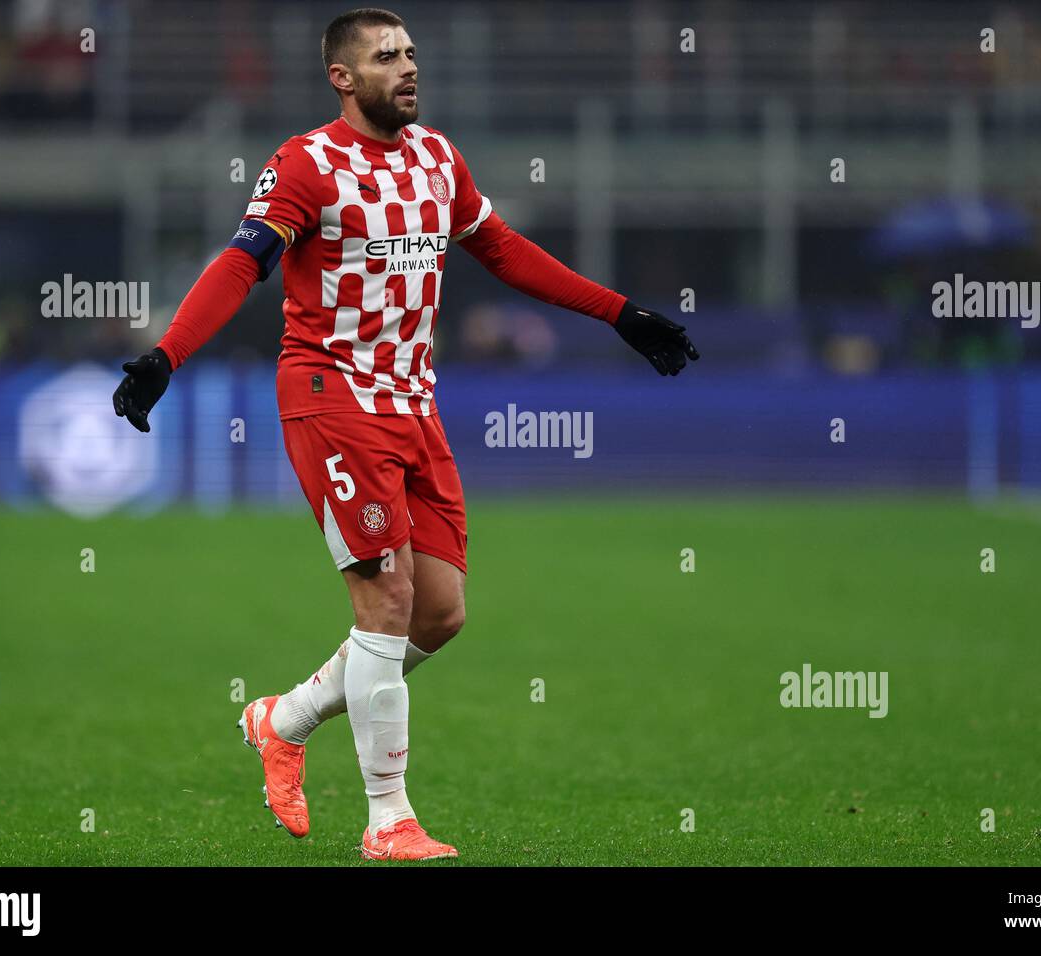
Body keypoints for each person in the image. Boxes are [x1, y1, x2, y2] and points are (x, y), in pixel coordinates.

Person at [112, 7, 698, 861]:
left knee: (442, 612)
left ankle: (284, 719)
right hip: (330, 395)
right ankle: (389, 821)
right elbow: (242, 262)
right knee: (384, 602)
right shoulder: (305, 164)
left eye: (412, 53)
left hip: (413, 403)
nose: (408, 67)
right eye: (387, 57)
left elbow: (502, 250)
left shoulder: (437, 156)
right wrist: (168, 354)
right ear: (343, 77)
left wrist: (620, 314)